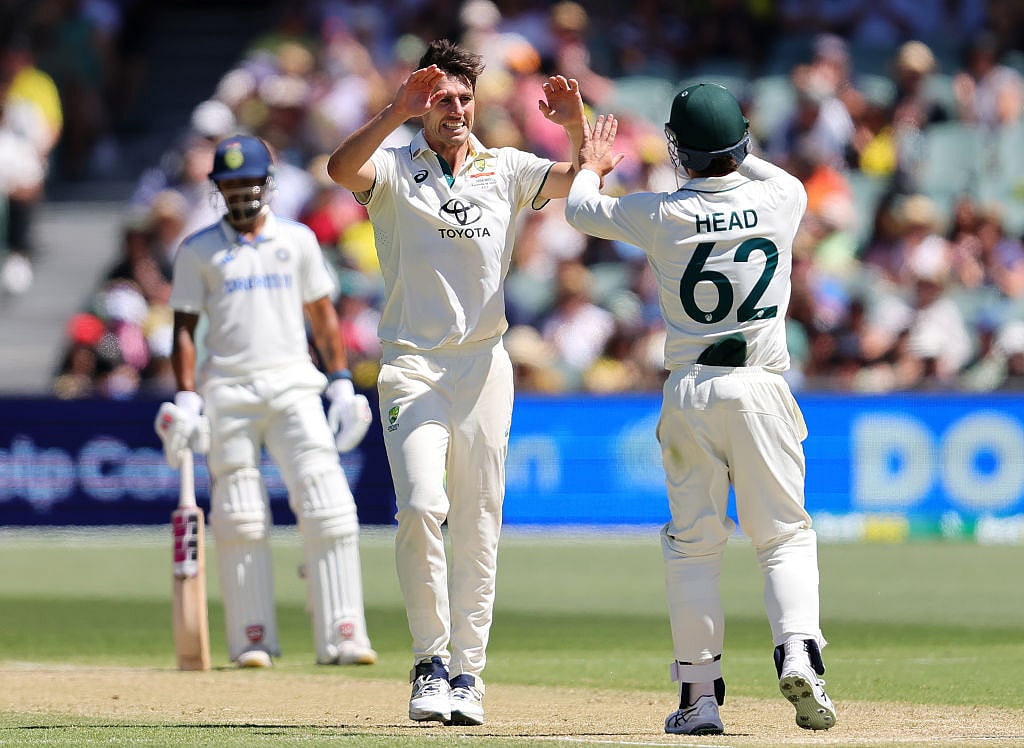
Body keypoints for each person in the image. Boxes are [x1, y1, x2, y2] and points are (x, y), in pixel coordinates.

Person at [326, 38, 586, 726]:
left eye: (465, 98)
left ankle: (468, 672)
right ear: (423, 105)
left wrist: (577, 128)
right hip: (411, 363)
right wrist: (393, 111)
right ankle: (429, 661)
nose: (456, 109)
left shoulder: (506, 169)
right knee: (419, 505)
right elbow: (337, 167)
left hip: (482, 367)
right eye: (442, 99)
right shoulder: (392, 168)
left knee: (478, 520)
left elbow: (580, 177)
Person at [565, 83, 838, 735]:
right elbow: (761, 167)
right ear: (742, 141)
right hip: (763, 388)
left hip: (691, 390)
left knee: (693, 549)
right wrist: (738, 143)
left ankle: (698, 698)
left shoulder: (660, 212)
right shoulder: (785, 198)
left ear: (679, 150)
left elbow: (579, 210)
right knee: (784, 536)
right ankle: (799, 649)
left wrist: (593, 165)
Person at [154, 134, 377, 669]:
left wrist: (341, 378)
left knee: (329, 506)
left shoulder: (297, 241)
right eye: (229, 185)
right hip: (228, 390)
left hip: (295, 384)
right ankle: (252, 637)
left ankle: (343, 633)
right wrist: (186, 397)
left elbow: (322, 315)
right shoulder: (198, 250)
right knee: (239, 517)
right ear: (217, 190)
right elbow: (183, 330)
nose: (240, 194)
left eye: (248, 183)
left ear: (268, 184)